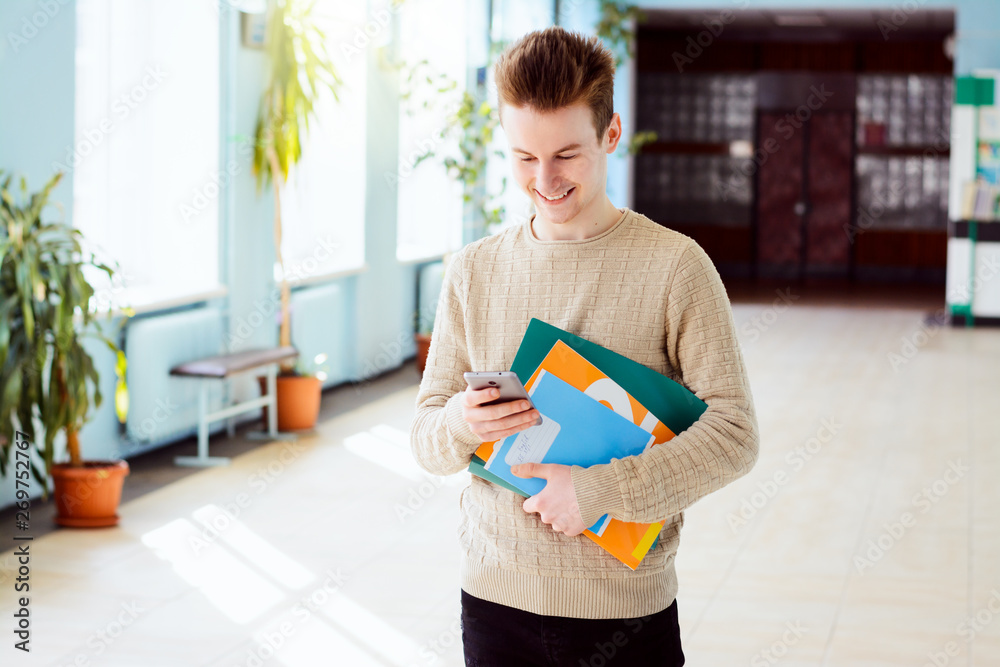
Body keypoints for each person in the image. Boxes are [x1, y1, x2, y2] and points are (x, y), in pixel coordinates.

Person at [409, 25, 759, 667]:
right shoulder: (473, 271)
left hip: (624, 614)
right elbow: (427, 440)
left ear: (611, 135)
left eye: (567, 154)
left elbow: (735, 435)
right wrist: (463, 419)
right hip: (494, 603)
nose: (544, 180)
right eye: (523, 157)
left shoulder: (676, 267)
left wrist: (601, 491)